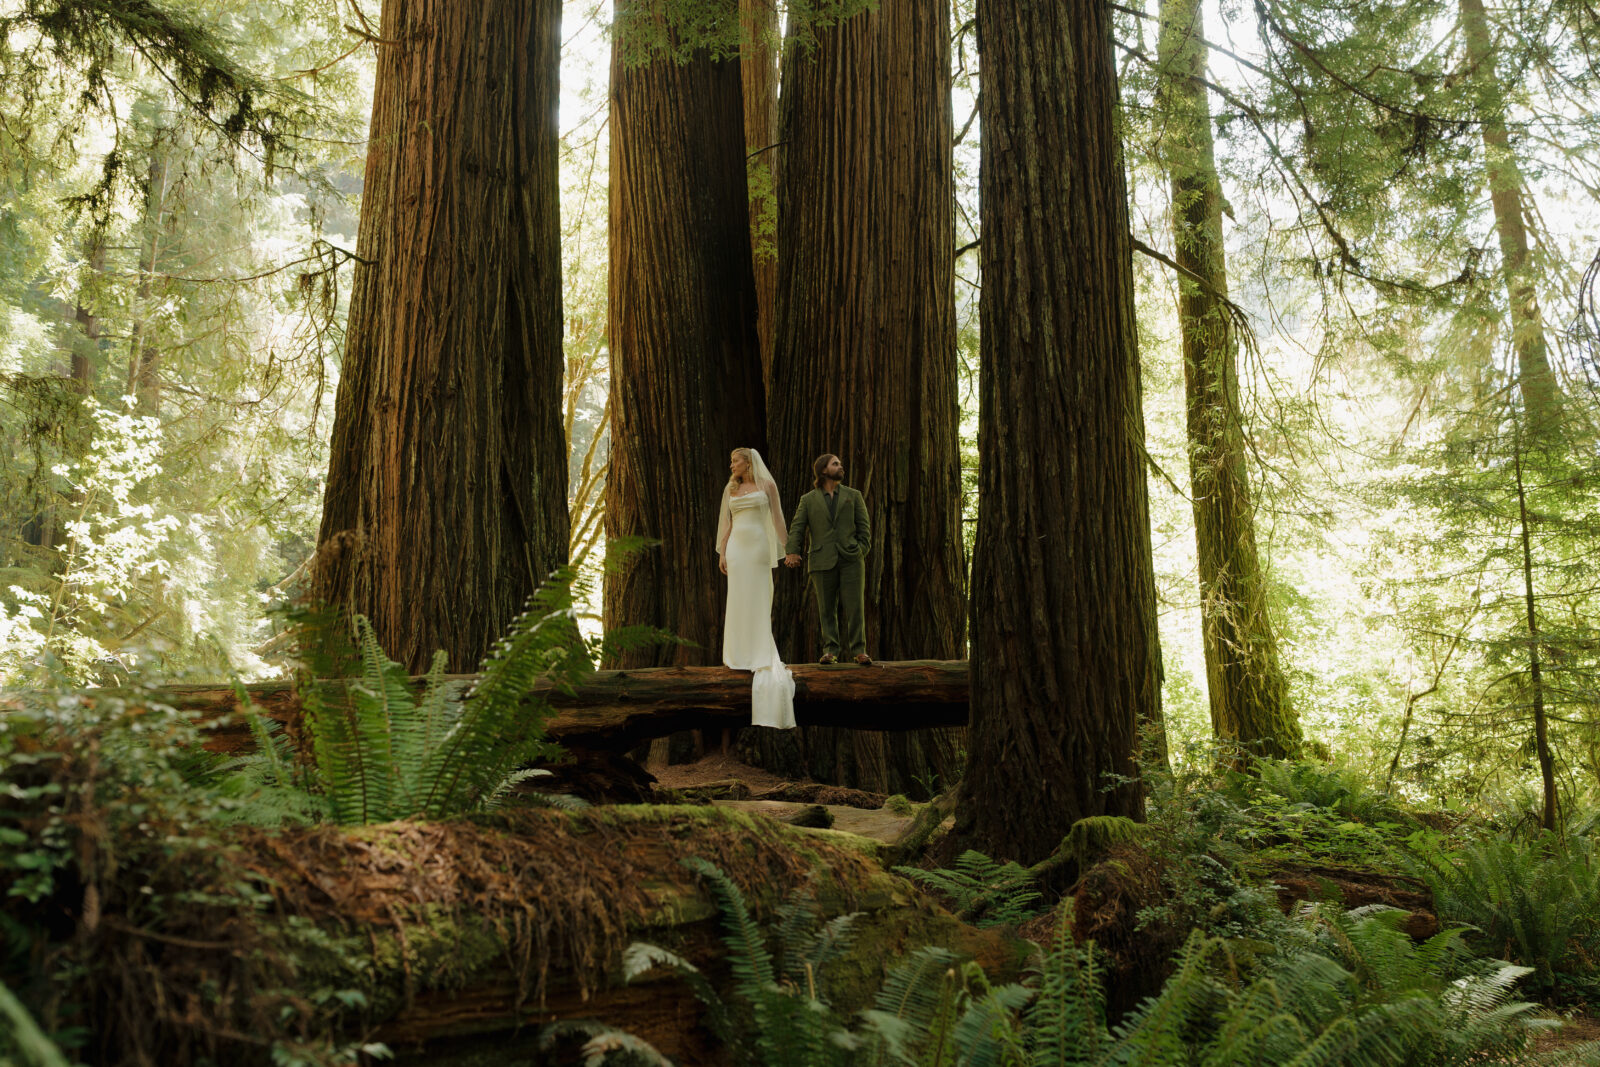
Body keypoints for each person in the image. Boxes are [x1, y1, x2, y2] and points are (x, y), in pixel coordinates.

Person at [717, 447, 796, 729]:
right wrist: (723, 553)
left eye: (734, 461)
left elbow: (777, 519)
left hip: (760, 548)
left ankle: (759, 651)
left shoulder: (767, 485)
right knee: (738, 599)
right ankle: (738, 653)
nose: (731, 466)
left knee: (760, 598)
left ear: (747, 462)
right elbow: (726, 525)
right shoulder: (731, 488)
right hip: (738, 549)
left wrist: (789, 549)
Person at [783, 453, 872, 665]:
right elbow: (797, 527)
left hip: (851, 559)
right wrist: (792, 551)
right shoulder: (808, 500)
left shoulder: (854, 495)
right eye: (835, 464)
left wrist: (860, 550)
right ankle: (831, 650)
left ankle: (859, 650)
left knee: (855, 606)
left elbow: (864, 529)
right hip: (821, 560)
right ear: (823, 470)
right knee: (826, 609)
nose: (841, 466)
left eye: (840, 463)